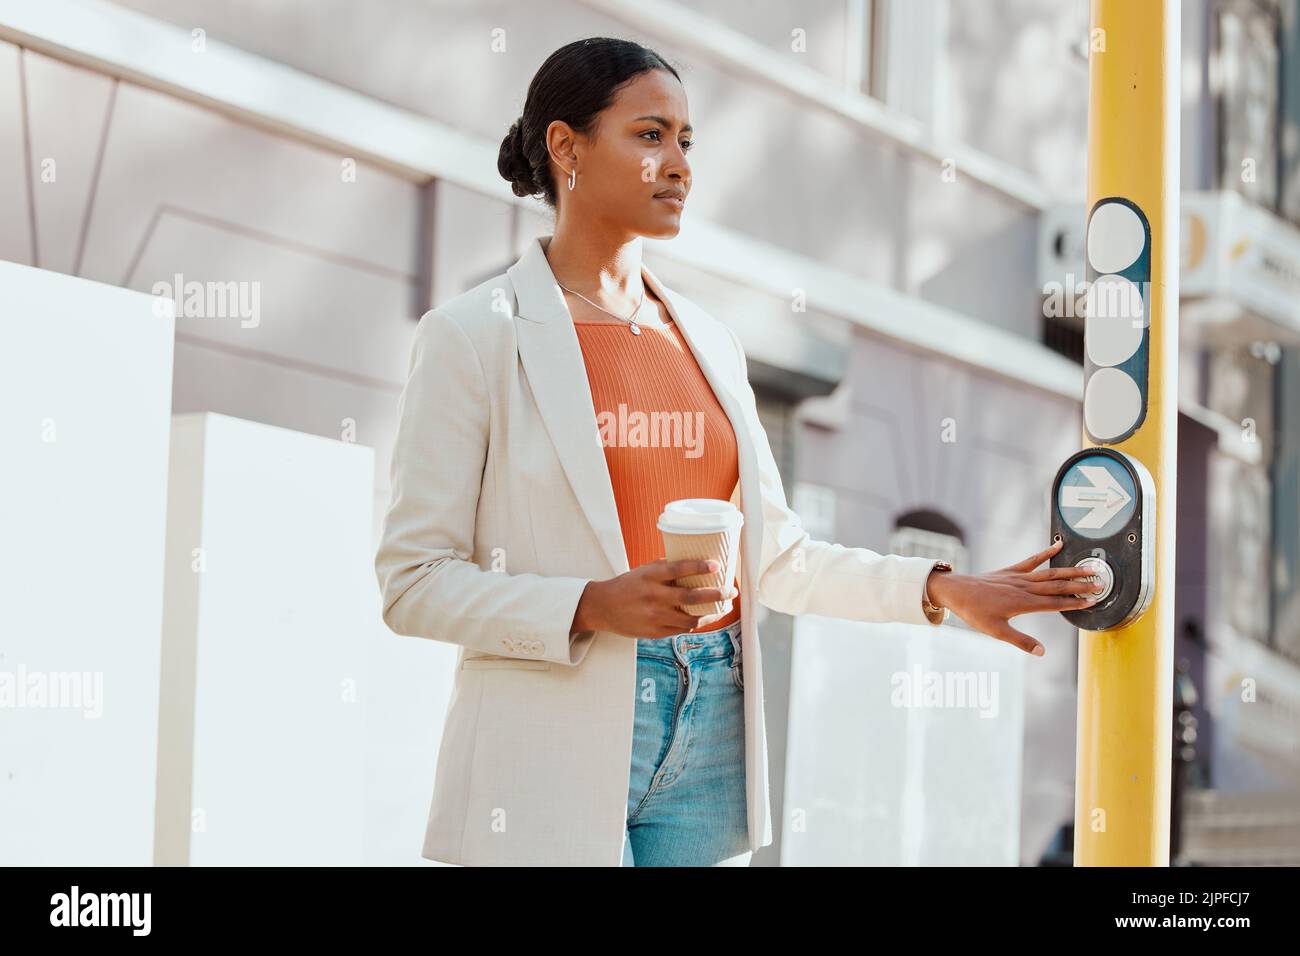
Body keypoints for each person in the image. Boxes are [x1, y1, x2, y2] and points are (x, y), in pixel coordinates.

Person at [374, 36, 1104, 867]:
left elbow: (780, 558)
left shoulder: (708, 343)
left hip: (715, 724)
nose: (679, 163)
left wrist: (944, 591)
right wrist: (590, 603)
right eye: (650, 135)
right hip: (554, 734)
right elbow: (413, 582)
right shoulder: (472, 337)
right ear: (566, 148)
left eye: (686, 141)